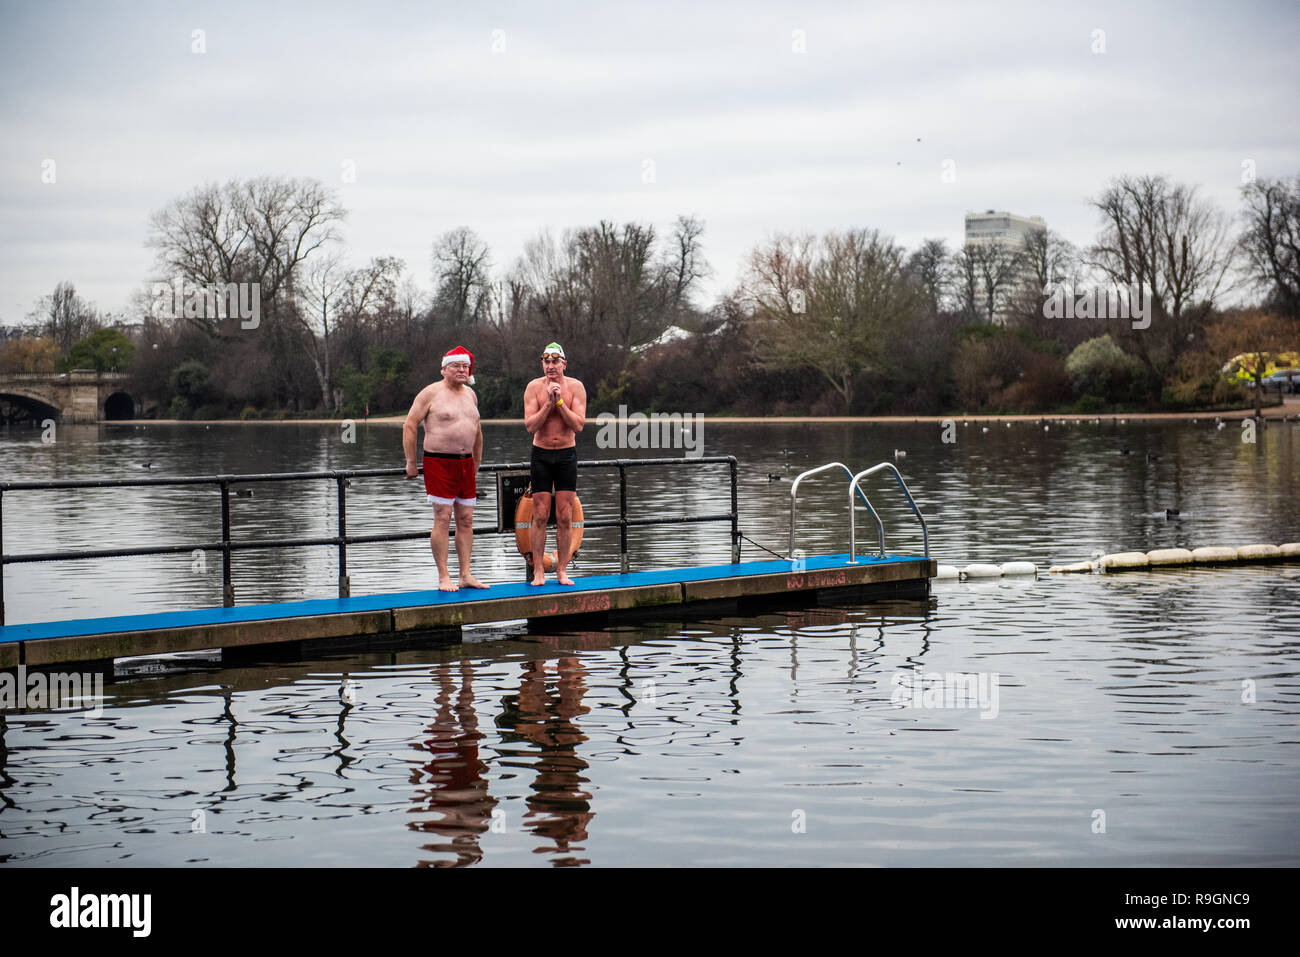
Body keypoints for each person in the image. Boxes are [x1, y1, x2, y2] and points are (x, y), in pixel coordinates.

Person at [404, 346, 487, 592]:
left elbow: (477, 431)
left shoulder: (471, 395)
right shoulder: (430, 393)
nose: (462, 370)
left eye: (465, 366)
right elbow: (410, 425)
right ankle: (444, 576)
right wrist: (411, 461)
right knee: (443, 518)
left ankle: (465, 574)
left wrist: (476, 464)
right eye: (456, 366)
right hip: (438, 461)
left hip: (465, 464)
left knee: (467, 519)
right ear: (444, 369)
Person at [523, 342, 586, 586]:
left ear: (563, 364)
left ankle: (561, 569)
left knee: (564, 515)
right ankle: (538, 570)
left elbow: (578, 425)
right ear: (543, 364)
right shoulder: (533, 388)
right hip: (541, 454)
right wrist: (548, 403)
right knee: (539, 514)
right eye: (546, 362)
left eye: (555, 361)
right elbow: (530, 426)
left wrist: (560, 402)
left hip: (566, 456)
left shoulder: (576, 387)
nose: (550, 366)